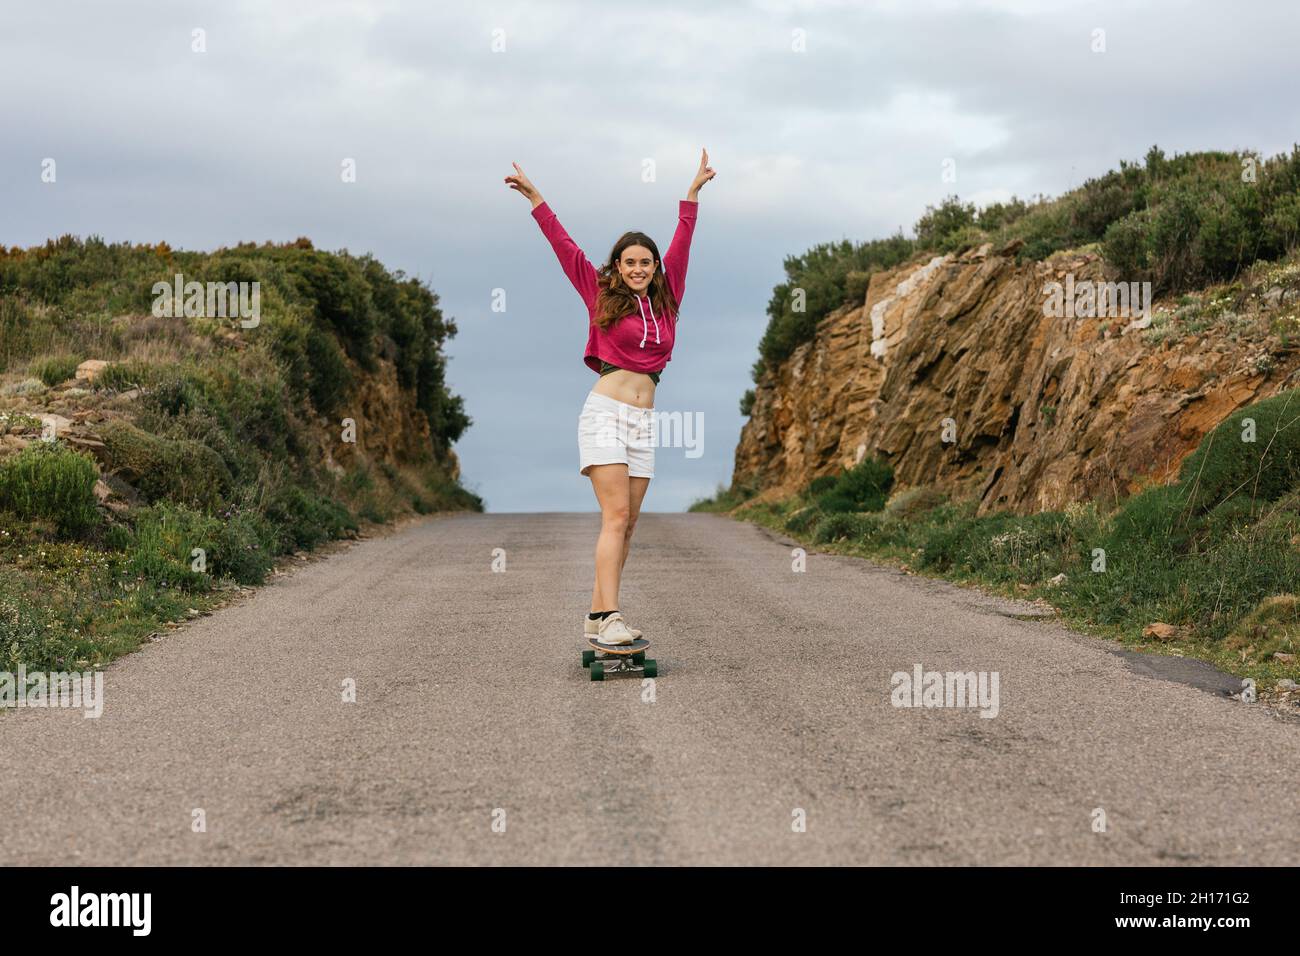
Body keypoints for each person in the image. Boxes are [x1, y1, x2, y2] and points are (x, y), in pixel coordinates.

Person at [505, 150, 716, 646]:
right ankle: (611, 616)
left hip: (645, 422)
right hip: (605, 414)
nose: (639, 268)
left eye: (646, 262)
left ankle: (599, 615)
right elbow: (566, 248)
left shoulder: (668, 298)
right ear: (617, 268)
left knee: (631, 523)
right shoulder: (600, 293)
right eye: (630, 262)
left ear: (655, 267)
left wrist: (691, 197)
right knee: (615, 516)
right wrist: (536, 199)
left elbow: (683, 244)